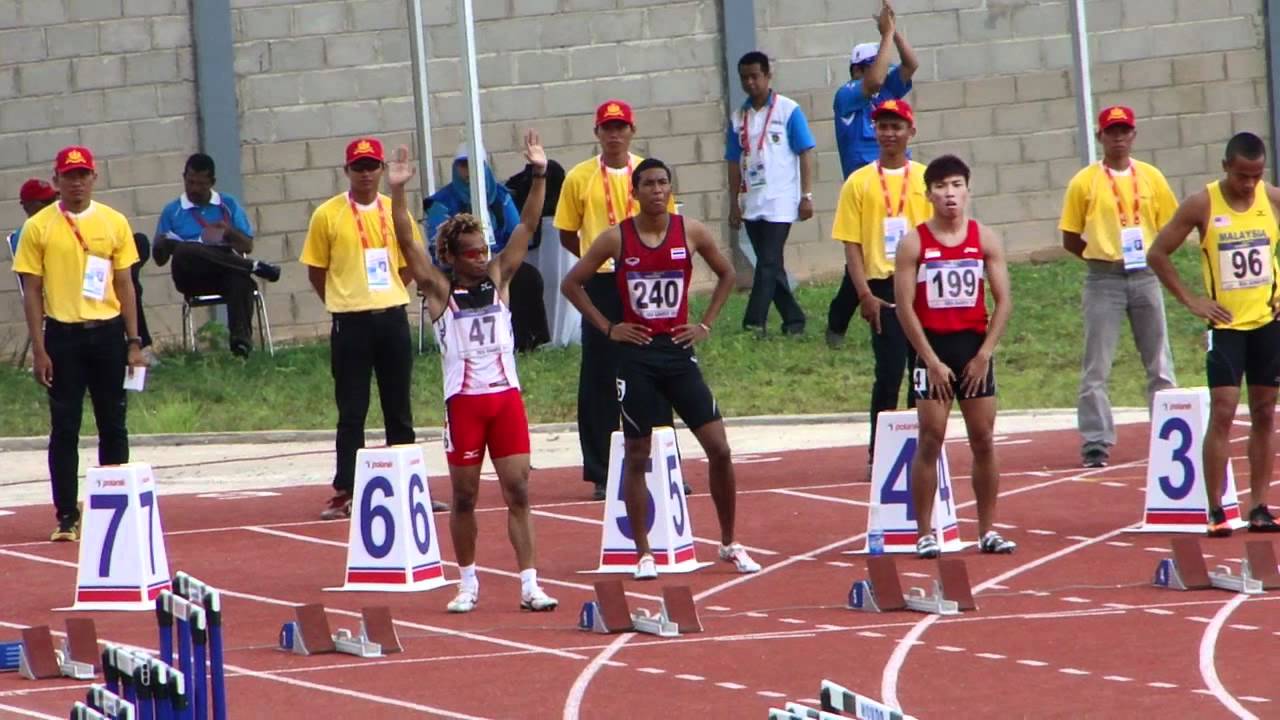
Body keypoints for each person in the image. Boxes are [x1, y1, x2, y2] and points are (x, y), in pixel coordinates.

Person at [561, 158, 761, 580]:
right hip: (637, 357)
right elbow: (571, 283)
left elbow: (727, 274)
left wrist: (705, 324)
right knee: (638, 455)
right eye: (648, 184)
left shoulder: (690, 231)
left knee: (720, 448)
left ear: (671, 189)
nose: (656, 190)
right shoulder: (615, 238)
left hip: (678, 354)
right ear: (634, 192)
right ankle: (644, 553)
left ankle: (729, 542)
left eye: (662, 183)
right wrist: (608, 328)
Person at [386, 131, 558, 613]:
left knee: (518, 490)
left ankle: (530, 584)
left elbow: (527, 225)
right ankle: (467, 582)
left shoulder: (500, 278)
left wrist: (539, 174)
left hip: (506, 400)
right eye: (473, 253)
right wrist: (397, 191)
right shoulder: (440, 290)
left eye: (484, 250)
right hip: (464, 405)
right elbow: (407, 241)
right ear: (452, 257)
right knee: (464, 497)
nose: (482, 258)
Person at [300, 137, 446, 520]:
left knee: (399, 407)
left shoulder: (395, 211)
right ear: (347, 171)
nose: (365, 174)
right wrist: (342, 299)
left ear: (381, 169)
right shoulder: (328, 215)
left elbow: (410, 262)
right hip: (350, 321)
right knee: (352, 409)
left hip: (391, 315)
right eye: (358, 167)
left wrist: (389, 290)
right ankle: (347, 489)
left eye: (371, 167)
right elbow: (316, 270)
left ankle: (409, 484)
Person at [1147, 132, 1280, 536]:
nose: (1249, 184)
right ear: (1225, 167)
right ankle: (1216, 509)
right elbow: (1157, 253)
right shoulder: (1202, 203)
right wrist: (1191, 299)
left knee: (1264, 412)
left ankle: (1259, 506)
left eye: (1256, 176)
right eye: (1242, 176)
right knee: (1223, 410)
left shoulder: (1272, 199)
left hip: (1266, 324)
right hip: (1225, 327)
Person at [12, 146, 146, 542]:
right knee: (65, 426)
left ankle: (113, 506)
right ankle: (67, 515)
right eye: (69, 176)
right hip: (63, 335)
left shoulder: (113, 222)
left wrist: (134, 341)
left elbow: (125, 284)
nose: (77, 183)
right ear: (56, 181)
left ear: (94, 178)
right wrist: (40, 348)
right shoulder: (39, 227)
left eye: (83, 175)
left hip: (106, 333)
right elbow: (32, 290)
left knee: (113, 422)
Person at [554, 100, 678, 501]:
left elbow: (666, 224)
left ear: (632, 131)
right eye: (607, 128)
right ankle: (602, 471)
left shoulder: (649, 175)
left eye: (621, 127)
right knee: (600, 376)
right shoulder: (579, 177)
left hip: (645, 280)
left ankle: (663, 464)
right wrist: (595, 260)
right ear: (597, 133)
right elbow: (567, 233)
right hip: (603, 281)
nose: (614, 135)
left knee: (657, 368)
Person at [893, 154, 1016, 558]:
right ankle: (924, 533)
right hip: (933, 351)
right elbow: (905, 307)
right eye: (941, 186)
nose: (950, 194)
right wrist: (929, 359)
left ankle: (988, 530)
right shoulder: (914, 243)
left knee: (984, 439)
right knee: (931, 438)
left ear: (968, 191)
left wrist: (985, 354)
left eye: (956, 185)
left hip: (973, 349)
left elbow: (1003, 300)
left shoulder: (984, 239)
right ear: (928, 194)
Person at [1060, 106, 1178, 468]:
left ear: (1134, 135)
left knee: (1159, 361)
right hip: (1104, 277)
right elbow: (1070, 236)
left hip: (1145, 275)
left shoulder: (1151, 177)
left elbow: (1171, 226)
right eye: (1111, 132)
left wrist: (1153, 257)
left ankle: (1170, 435)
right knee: (1096, 364)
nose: (1118, 138)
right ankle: (1096, 440)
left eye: (1124, 131)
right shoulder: (1084, 182)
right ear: (1100, 137)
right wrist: (1099, 254)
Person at [831, 99, 930, 476]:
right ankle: (882, 452)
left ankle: (922, 446)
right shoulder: (858, 182)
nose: (889, 133)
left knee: (923, 370)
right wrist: (864, 294)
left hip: (921, 285)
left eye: (896, 126)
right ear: (874, 131)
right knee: (888, 372)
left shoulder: (924, 179)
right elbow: (851, 245)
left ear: (911, 131)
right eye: (883, 126)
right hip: (882, 289)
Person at [827, 0, 919, 348]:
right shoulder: (848, 96)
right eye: (868, 65)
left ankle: (856, 318)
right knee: (863, 257)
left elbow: (911, 64)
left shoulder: (888, 97)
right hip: (865, 190)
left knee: (883, 257)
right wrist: (885, 36)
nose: (877, 70)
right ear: (856, 70)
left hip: (899, 185)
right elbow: (876, 79)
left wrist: (894, 32)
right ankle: (840, 321)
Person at [153, 153, 281, 357]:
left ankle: (241, 345)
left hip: (223, 273)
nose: (194, 189)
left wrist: (228, 232)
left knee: (242, 282)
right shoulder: (172, 210)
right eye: (190, 182)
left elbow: (247, 246)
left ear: (212, 182)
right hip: (190, 276)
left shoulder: (228, 204)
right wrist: (162, 244)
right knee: (186, 249)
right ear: (184, 178)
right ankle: (254, 267)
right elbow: (159, 261)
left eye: (201, 184)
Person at [726, 50, 816, 336]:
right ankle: (794, 320)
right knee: (772, 265)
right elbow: (733, 161)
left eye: (755, 76)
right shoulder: (738, 117)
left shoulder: (788, 110)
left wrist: (806, 196)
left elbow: (805, 152)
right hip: (752, 201)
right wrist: (734, 203)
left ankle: (754, 322)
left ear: (768, 75)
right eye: (744, 78)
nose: (750, 83)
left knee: (766, 262)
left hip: (781, 200)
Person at [425, 143, 520, 263]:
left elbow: (517, 234)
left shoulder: (501, 196)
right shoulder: (441, 202)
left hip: (501, 262)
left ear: (485, 166)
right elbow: (439, 246)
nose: (470, 169)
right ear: (455, 168)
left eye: (475, 163)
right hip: (458, 265)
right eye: (464, 165)